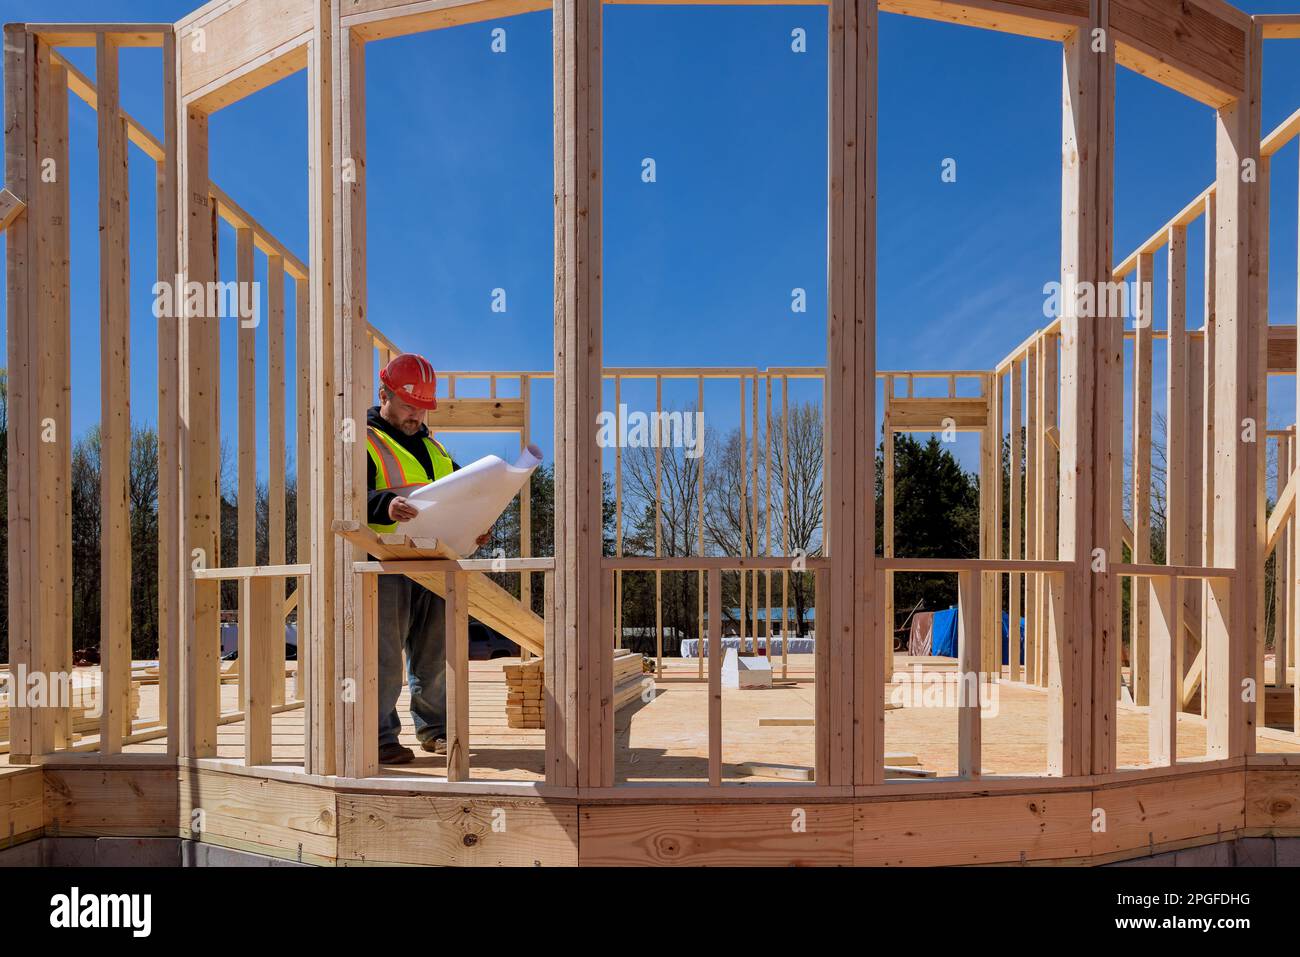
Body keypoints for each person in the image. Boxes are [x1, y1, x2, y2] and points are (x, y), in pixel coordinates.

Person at [366, 352, 488, 764]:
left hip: (434, 559)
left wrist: (475, 524)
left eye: (422, 407)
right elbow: (346, 497)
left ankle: (434, 730)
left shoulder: (435, 447)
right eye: (408, 404)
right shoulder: (363, 439)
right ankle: (379, 737)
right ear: (384, 394)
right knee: (383, 654)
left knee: (435, 653)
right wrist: (385, 506)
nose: (416, 414)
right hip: (386, 560)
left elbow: (460, 492)